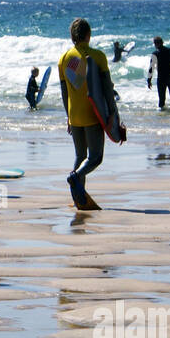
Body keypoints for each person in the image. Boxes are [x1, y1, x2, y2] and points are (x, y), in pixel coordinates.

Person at [58, 17, 114, 210]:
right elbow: (106, 89)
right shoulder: (98, 57)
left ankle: (78, 197)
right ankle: (75, 177)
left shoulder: (64, 59)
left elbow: (64, 93)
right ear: (89, 35)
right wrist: (112, 113)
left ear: (72, 36)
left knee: (80, 155)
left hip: (74, 115)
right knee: (95, 157)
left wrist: (69, 116)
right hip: (93, 114)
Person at [148, 36, 170, 108]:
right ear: (162, 42)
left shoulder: (155, 54)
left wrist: (149, 80)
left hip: (162, 79)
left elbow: (151, 68)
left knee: (162, 100)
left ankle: (161, 116)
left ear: (155, 44)